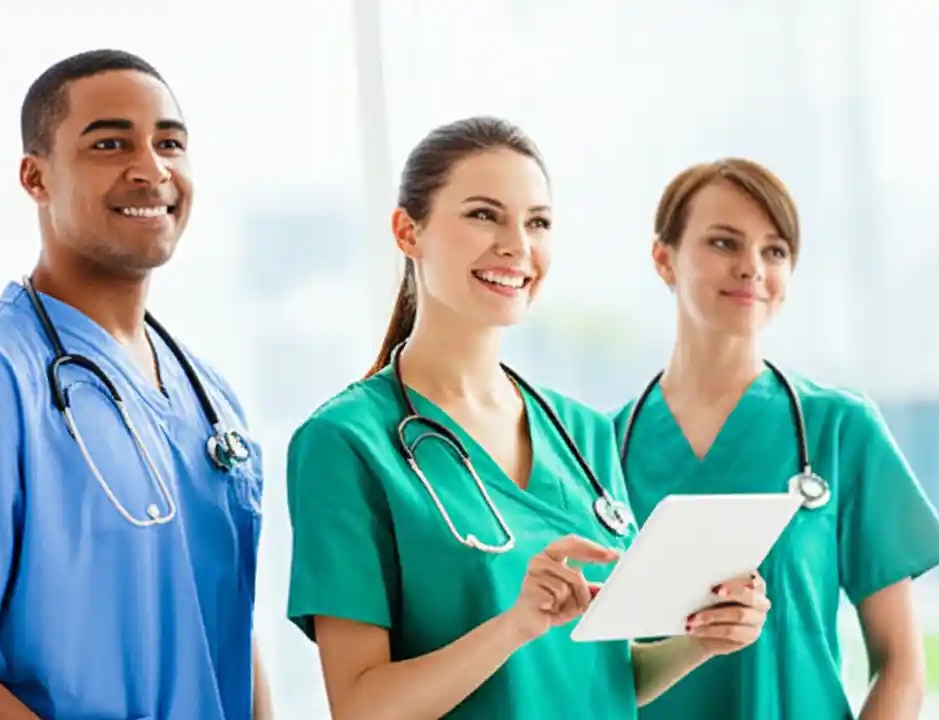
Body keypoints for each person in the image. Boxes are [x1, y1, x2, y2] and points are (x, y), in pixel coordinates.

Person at [284, 117, 771, 719]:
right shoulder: (347, 443)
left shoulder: (584, 434)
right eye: (484, 215)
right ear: (408, 232)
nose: (518, 245)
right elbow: (362, 707)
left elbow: (609, 677)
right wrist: (514, 626)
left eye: (537, 222)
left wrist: (701, 639)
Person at [0, 49, 271, 719]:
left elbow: (226, 634)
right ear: (35, 177)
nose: (151, 168)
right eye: (109, 143)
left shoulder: (210, 399)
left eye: (169, 142)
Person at [614, 158, 939, 719]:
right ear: (664, 259)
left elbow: (901, 668)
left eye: (775, 251)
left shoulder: (840, 429)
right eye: (724, 243)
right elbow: (586, 665)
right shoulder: (601, 447)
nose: (752, 267)